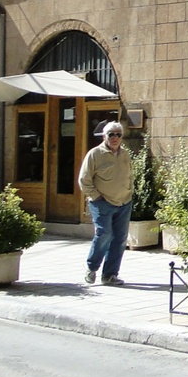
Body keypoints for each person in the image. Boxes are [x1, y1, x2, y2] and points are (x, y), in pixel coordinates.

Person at [78, 120, 133, 285]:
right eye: (111, 134)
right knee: (104, 234)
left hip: (124, 202)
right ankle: (91, 268)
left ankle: (110, 275)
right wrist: (96, 197)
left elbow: (129, 176)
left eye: (118, 134)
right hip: (102, 203)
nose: (115, 137)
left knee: (120, 239)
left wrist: (129, 192)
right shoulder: (95, 154)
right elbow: (84, 179)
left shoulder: (125, 154)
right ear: (104, 136)